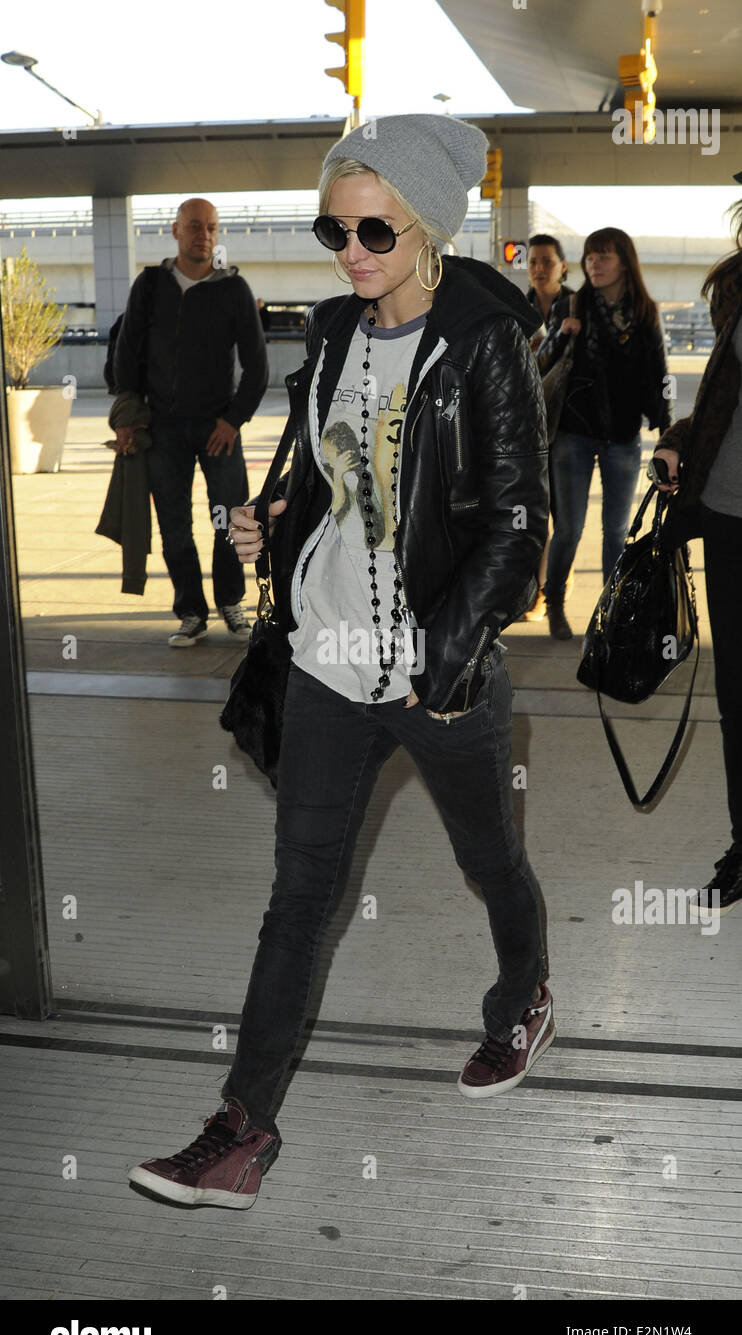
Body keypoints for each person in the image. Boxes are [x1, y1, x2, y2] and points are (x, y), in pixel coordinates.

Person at [128, 114, 553, 1212]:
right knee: (299, 899)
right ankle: (240, 1128)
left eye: (373, 228)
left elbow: (517, 527)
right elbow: (331, 478)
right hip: (325, 662)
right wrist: (276, 517)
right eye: (334, 227)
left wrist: (444, 654)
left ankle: (521, 997)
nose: (350, 250)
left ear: (429, 229)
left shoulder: (484, 343)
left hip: (437, 672)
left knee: (490, 862)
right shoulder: (329, 334)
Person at [113, 198, 269, 647]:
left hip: (218, 429)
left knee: (229, 519)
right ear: (176, 231)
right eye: (195, 226)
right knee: (174, 525)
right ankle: (191, 612)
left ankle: (232, 604)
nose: (204, 235)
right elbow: (126, 353)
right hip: (162, 430)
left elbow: (257, 368)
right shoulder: (149, 285)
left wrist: (233, 420)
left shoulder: (233, 289)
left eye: (212, 228)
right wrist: (127, 416)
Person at [650, 175, 742, 917]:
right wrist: (680, 442)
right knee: (736, 695)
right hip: (728, 514)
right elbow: (721, 395)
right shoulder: (737, 283)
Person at [536, 227, 671, 640]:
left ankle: (610, 614)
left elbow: (658, 374)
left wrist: (667, 436)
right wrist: (563, 334)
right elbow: (539, 362)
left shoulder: (644, 312)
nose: (594, 264)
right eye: (590, 257)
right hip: (574, 434)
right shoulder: (572, 304)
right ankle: (555, 602)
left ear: (624, 262)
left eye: (604, 257)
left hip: (624, 438)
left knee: (616, 531)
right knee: (570, 528)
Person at [521, 234, 575, 620]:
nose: (539, 269)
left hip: (567, 426)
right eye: (533, 262)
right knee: (533, 514)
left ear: (562, 266)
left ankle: (554, 588)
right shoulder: (517, 309)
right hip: (528, 428)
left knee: (562, 518)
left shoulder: (575, 307)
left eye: (546, 262)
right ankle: (535, 593)